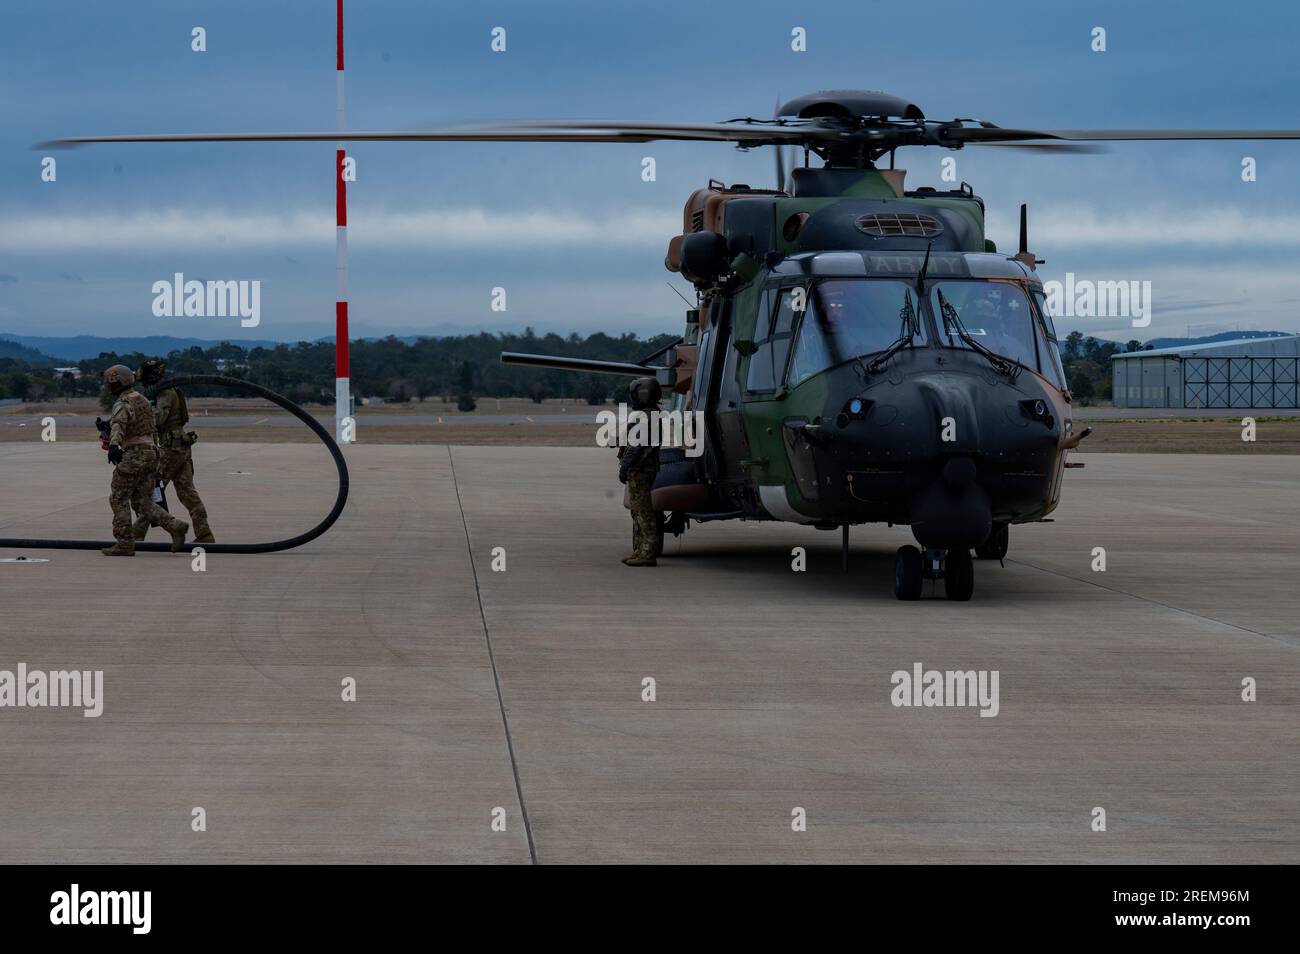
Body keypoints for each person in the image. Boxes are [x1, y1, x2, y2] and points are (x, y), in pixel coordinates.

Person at [100, 365, 189, 556]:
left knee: (118, 497)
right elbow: (149, 427)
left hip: (134, 456)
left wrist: (114, 446)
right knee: (142, 501)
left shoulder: (122, 403)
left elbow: (120, 424)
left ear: (117, 383)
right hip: (151, 455)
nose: (108, 387)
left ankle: (124, 542)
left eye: (110, 383)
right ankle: (174, 525)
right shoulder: (142, 400)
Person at [132, 359, 214, 543]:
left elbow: (158, 419)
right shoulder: (170, 391)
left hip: (171, 448)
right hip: (180, 447)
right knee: (187, 492)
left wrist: (139, 416)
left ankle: (136, 535)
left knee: (151, 489)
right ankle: (204, 533)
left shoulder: (166, 393)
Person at [618, 377, 663, 567]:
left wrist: (625, 467)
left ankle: (647, 553)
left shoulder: (646, 417)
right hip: (644, 468)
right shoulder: (651, 415)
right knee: (638, 510)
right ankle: (640, 550)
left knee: (643, 511)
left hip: (640, 469)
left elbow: (636, 447)